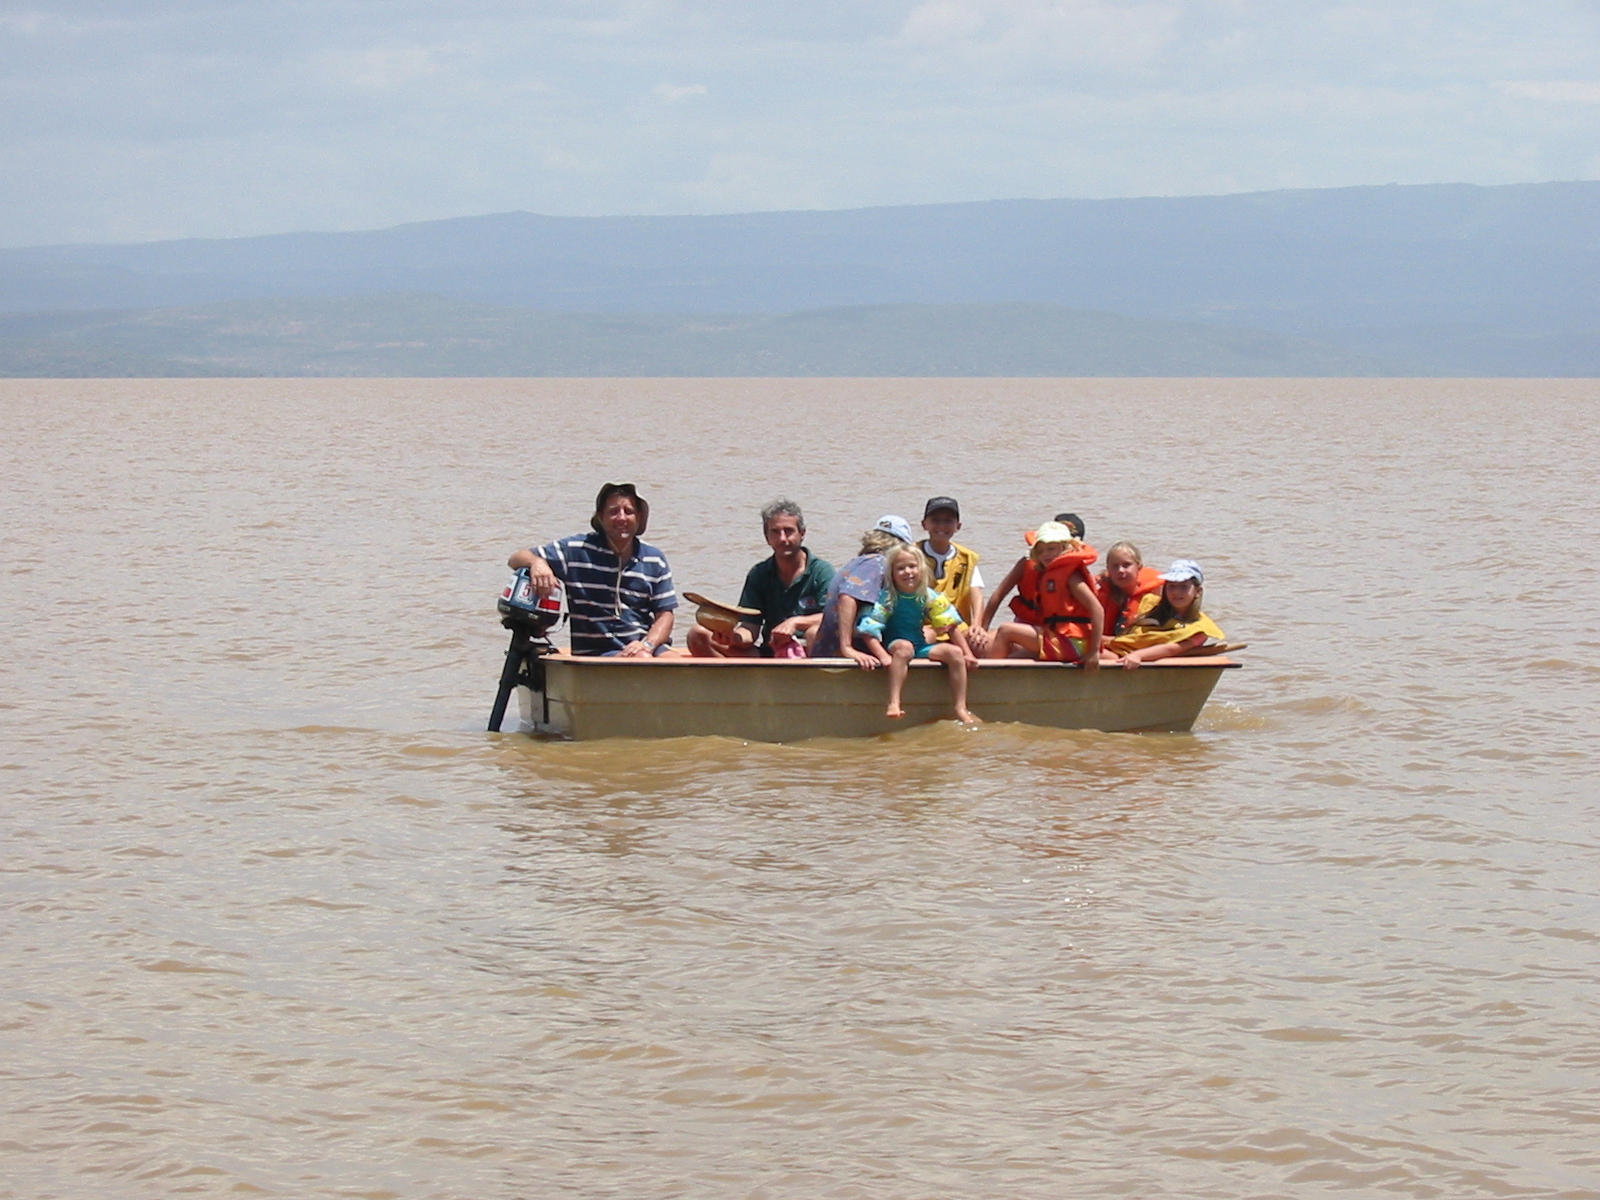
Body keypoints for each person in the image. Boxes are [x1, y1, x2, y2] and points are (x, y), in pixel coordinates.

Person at [507, 482, 677, 657]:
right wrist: (538, 563)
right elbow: (516, 558)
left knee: (674, 660)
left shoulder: (655, 559)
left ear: (639, 517)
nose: (621, 518)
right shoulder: (576, 550)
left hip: (643, 645)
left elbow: (665, 614)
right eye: (613, 512)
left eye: (628, 511)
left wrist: (648, 644)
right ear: (601, 517)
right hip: (598, 653)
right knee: (642, 659)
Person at [687, 498, 834, 657]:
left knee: (814, 632)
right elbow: (750, 627)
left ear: (802, 533)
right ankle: (733, 680)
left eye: (789, 531)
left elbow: (835, 616)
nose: (783, 538)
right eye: (775, 532)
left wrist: (795, 622)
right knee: (698, 634)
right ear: (766, 537)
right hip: (771, 652)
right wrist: (733, 638)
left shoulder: (822, 572)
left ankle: (810, 680)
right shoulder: (759, 573)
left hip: (809, 652)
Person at [856, 542, 981, 723]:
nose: (908, 572)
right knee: (904, 648)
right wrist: (882, 655)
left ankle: (960, 707)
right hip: (895, 646)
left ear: (921, 569)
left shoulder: (927, 595)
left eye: (912, 566)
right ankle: (894, 702)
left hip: (919, 646)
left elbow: (950, 624)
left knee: (954, 652)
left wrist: (968, 654)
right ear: (892, 573)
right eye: (901, 568)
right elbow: (869, 629)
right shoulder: (888, 597)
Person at [983, 521, 1101, 668]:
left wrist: (1094, 652)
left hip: (1073, 643)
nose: (1045, 554)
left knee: (1006, 630)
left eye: (1051, 549)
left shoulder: (1071, 577)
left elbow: (1097, 609)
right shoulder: (1051, 572)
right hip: (1062, 639)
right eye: (1041, 551)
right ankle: (1001, 677)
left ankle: (991, 675)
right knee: (1014, 656)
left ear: (1065, 548)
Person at [807, 516, 913, 666]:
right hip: (841, 653)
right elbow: (848, 597)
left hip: (826, 647)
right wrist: (847, 647)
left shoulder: (860, 561)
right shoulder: (877, 563)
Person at [978, 511, 1088, 638]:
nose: (1050, 553)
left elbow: (1094, 611)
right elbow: (998, 594)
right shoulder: (1027, 563)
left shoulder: (1075, 574)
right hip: (1025, 625)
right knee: (981, 643)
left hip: (1059, 633)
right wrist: (983, 629)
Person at [1108, 559, 1226, 668]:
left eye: (1183, 587)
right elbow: (1129, 639)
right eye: (1172, 586)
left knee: (1100, 655)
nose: (1176, 592)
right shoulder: (1153, 610)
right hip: (1120, 650)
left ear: (1198, 591)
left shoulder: (1200, 629)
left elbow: (1171, 649)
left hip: (1132, 658)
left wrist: (1138, 655)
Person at [918, 496, 987, 651]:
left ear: (958, 526)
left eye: (948, 521)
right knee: (924, 637)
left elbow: (976, 594)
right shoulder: (912, 554)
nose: (942, 526)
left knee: (984, 642)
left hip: (957, 627)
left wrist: (976, 625)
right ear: (924, 524)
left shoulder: (967, 557)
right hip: (926, 626)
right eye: (936, 520)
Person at [1096, 541, 1164, 638]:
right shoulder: (1101, 595)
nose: (1120, 570)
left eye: (1126, 565)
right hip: (1112, 647)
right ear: (1108, 569)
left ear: (1139, 567)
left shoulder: (1156, 595)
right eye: (1115, 566)